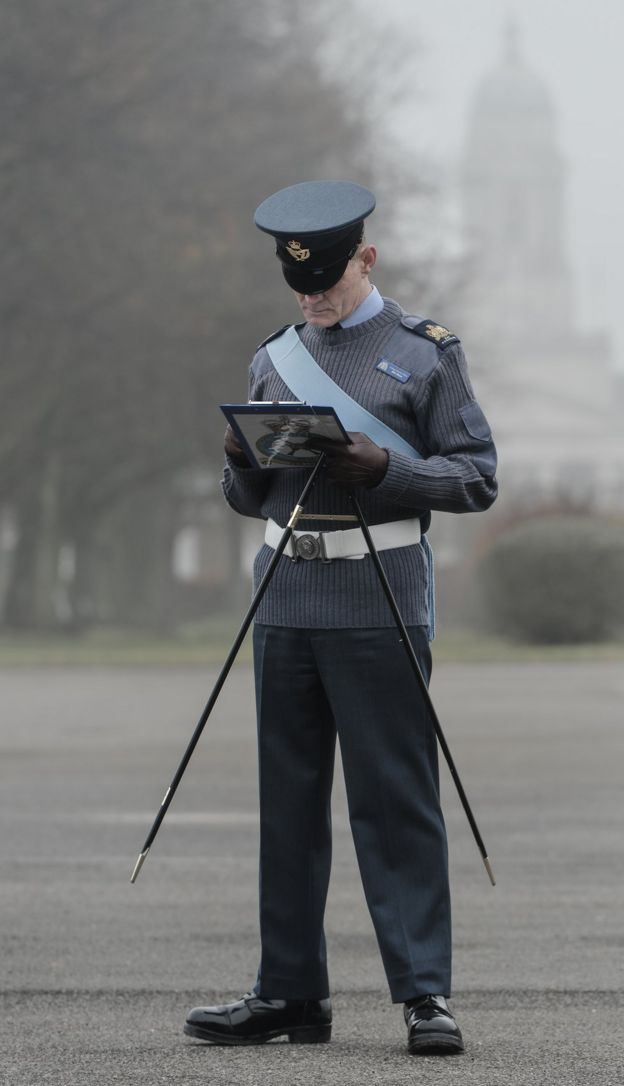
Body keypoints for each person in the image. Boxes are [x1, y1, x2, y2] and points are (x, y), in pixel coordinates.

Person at [184, 181, 498, 1055]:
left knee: (394, 803)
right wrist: (238, 463)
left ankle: (424, 995)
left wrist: (385, 469)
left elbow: (475, 475)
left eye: (327, 280)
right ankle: (288, 993)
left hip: (379, 601)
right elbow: (250, 499)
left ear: (366, 259)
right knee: (286, 805)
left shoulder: (426, 354)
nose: (314, 298)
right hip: (285, 598)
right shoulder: (274, 358)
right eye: (300, 287)